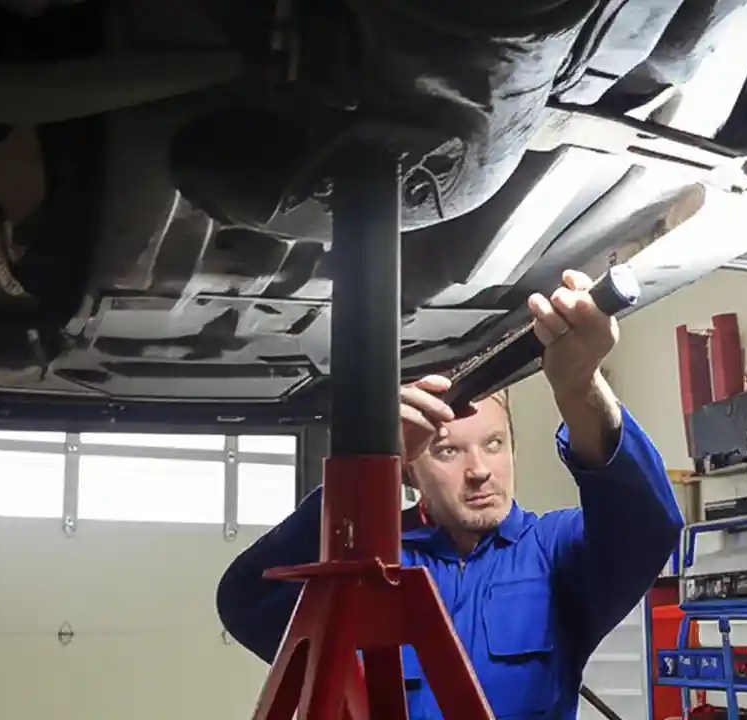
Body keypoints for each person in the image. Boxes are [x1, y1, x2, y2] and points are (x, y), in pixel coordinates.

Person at [216, 269, 685, 720]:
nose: (479, 470)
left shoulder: (553, 554)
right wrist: (367, 468)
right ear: (411, 470)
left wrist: (581, 387)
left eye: (494, 444)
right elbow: (246, 601)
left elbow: (646, 525)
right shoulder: (369, 561)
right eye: (447, 451)